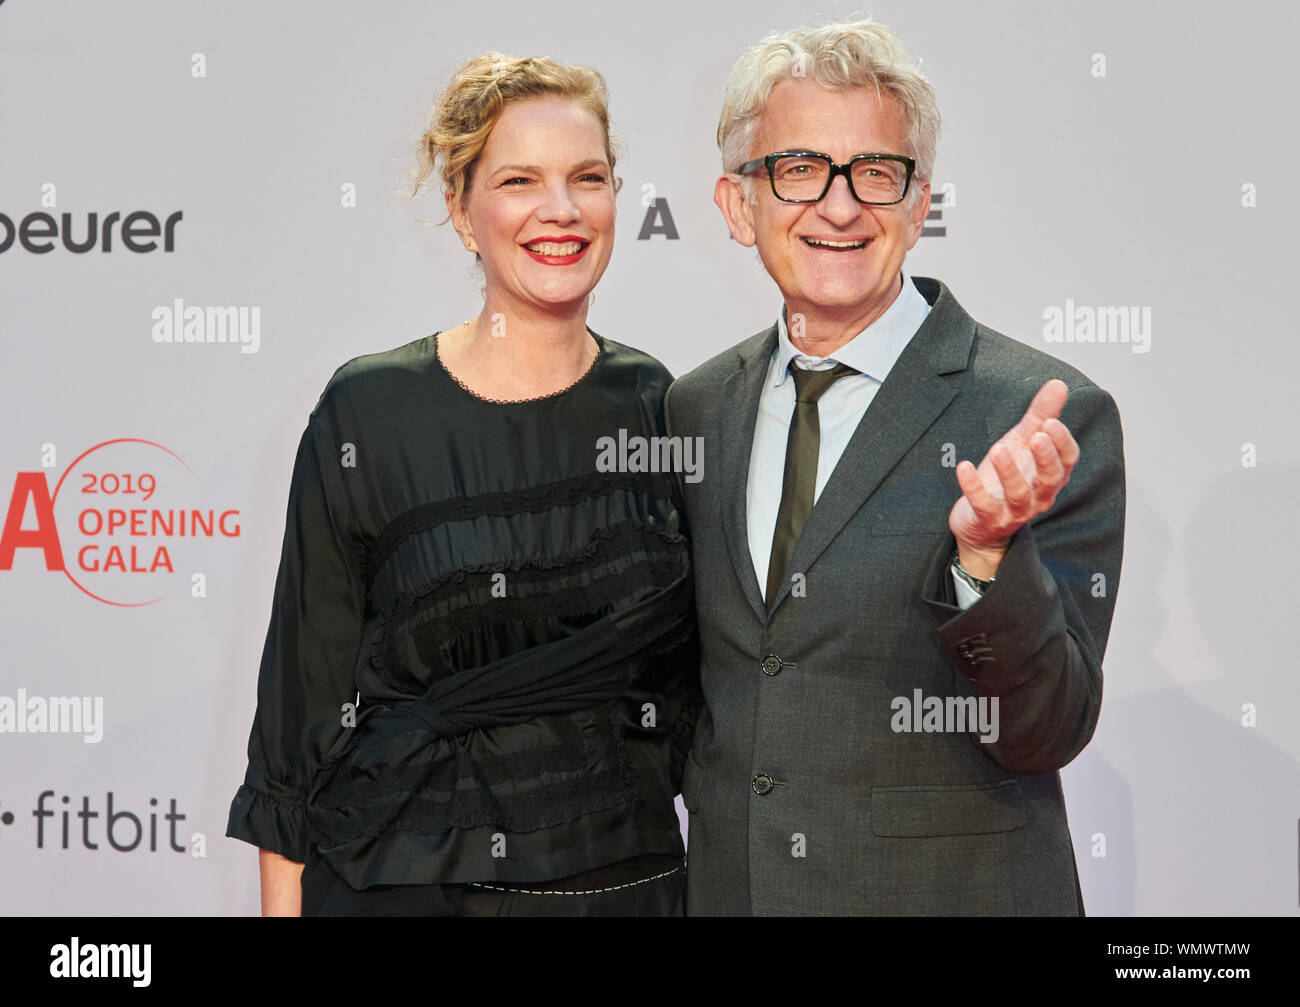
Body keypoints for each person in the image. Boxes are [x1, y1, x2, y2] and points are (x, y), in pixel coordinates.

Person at [666, 18, 1125, 915]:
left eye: (876, 173)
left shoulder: (1042, 412)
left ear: (919, 205)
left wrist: (986, 561)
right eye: (798, 168)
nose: (840, 206)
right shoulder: (694, 410)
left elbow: (1047, 728)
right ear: (736, 203)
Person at [226, 52, 699, 916]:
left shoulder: (658, 405)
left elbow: (692, 690)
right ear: (461, 208)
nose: (561, 210)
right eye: (519, 181)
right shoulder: (369, 410)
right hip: (407, 882)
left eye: (586, 178)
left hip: (622, 885)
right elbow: (303, 699)